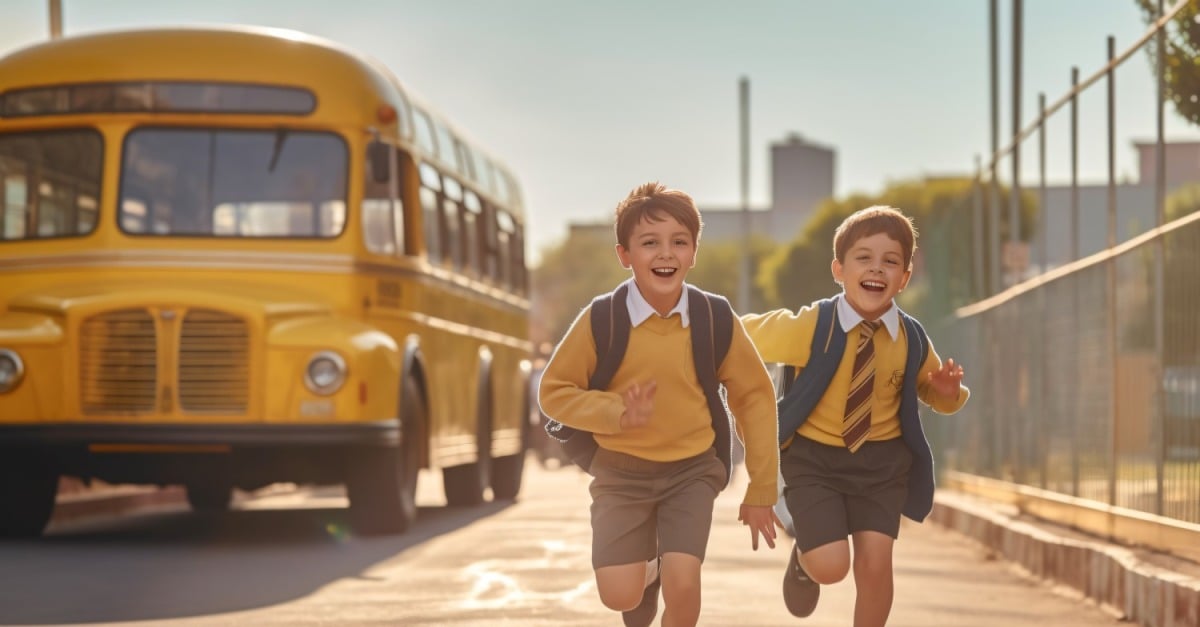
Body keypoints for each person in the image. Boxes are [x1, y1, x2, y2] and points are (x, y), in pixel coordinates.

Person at [538, 181, 781, 627]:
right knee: (619, 594)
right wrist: (615, 413)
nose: (665, 254)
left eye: (679, 242)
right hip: (619, 471)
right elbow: (553, 392)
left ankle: (665, 573)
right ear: (624, 255)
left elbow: (754, 397)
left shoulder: (714, 317)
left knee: (685, 584)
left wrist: (762, 487)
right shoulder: (602, 319)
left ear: (693, 253)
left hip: (692, 469)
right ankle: (647, 573)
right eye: (649, 243)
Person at [741, 205, 968, 626]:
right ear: (839, 269)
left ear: (904, 277)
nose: (876, 269)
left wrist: (947, 393)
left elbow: (933, 391)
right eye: (863, 258)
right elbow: (741, 336)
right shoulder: (813, 326)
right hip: (814, 461)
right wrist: (696, 332)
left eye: (890, 262)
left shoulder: (912, 339)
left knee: (876, 565)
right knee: (832, 565)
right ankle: (805, 563)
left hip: (882, 466)